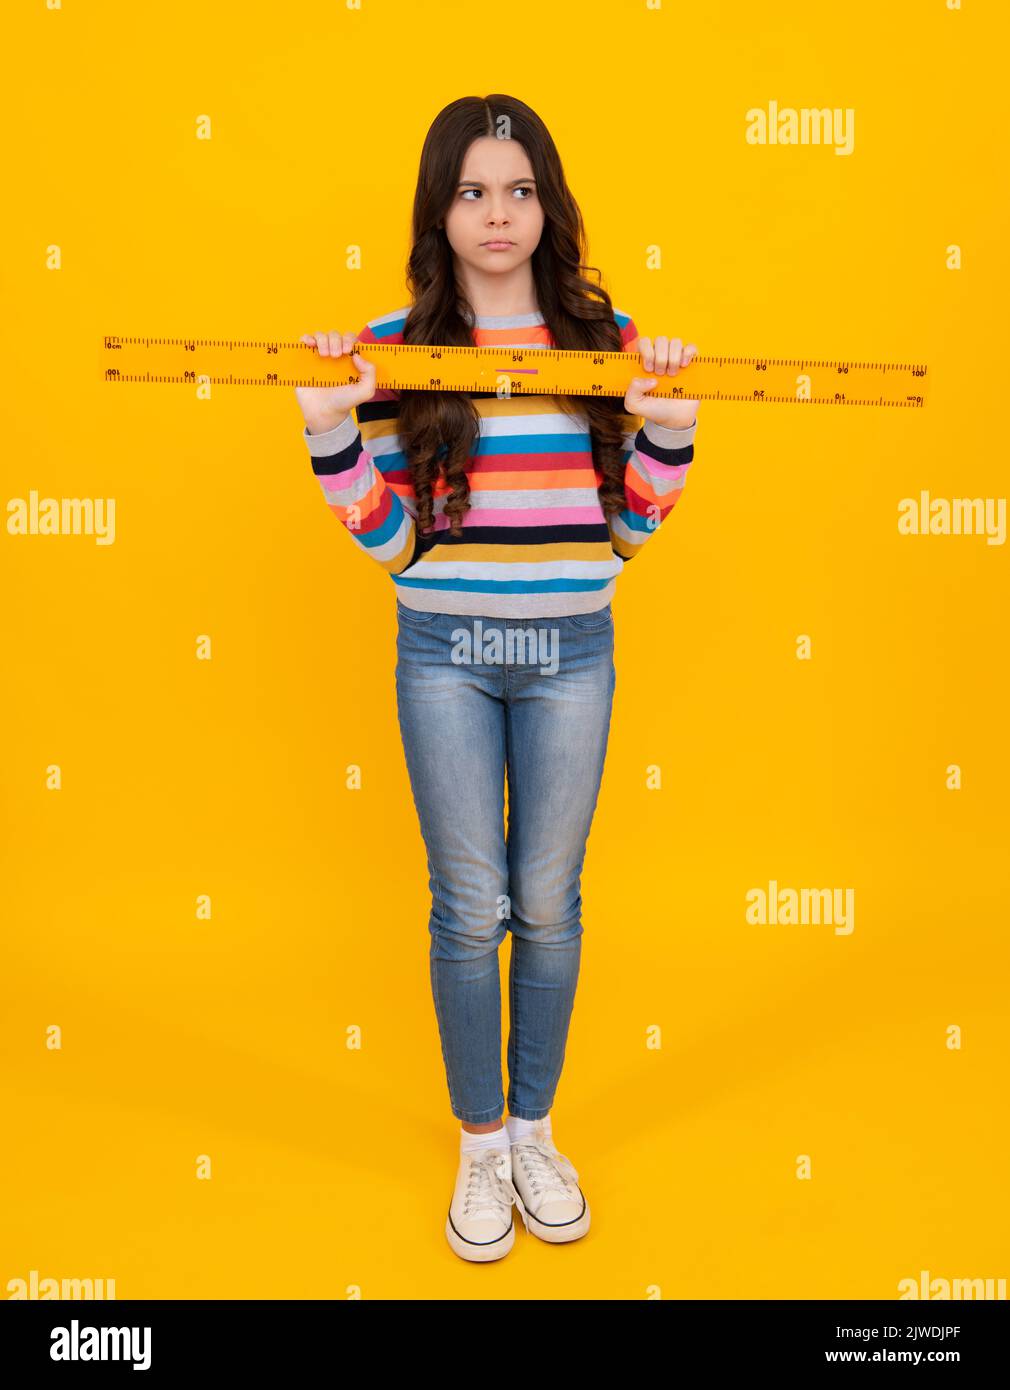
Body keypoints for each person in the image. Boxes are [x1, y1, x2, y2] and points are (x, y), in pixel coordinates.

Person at [294, 94, 699, 1262]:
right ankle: (480, 1146)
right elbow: (391, 549)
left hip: (573, 654)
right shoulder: (390, 347)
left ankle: (535, 1130)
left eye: (518, 190)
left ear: (548, 203)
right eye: (471, 191)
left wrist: (666, 422)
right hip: (447, 660)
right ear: (438, 208)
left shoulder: (602, 337)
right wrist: (329, 427)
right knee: (469, 907)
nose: (497, 214)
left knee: (550, 904)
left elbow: (625, 534)